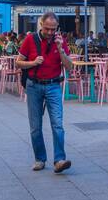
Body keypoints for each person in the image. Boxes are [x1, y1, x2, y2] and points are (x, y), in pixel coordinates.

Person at [16, 11, 77, 172]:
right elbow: (18, 62)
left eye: (53, 29)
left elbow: (69, 66)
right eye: (47, 29)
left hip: (53, 86)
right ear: (41, 25)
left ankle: (59, 160)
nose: (50, 33)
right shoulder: (30, 39)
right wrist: (33, 62)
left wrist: (61, 49)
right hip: (34, 85)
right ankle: (40, 159)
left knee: (57, 124)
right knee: (35, 125)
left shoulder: (60, 41)